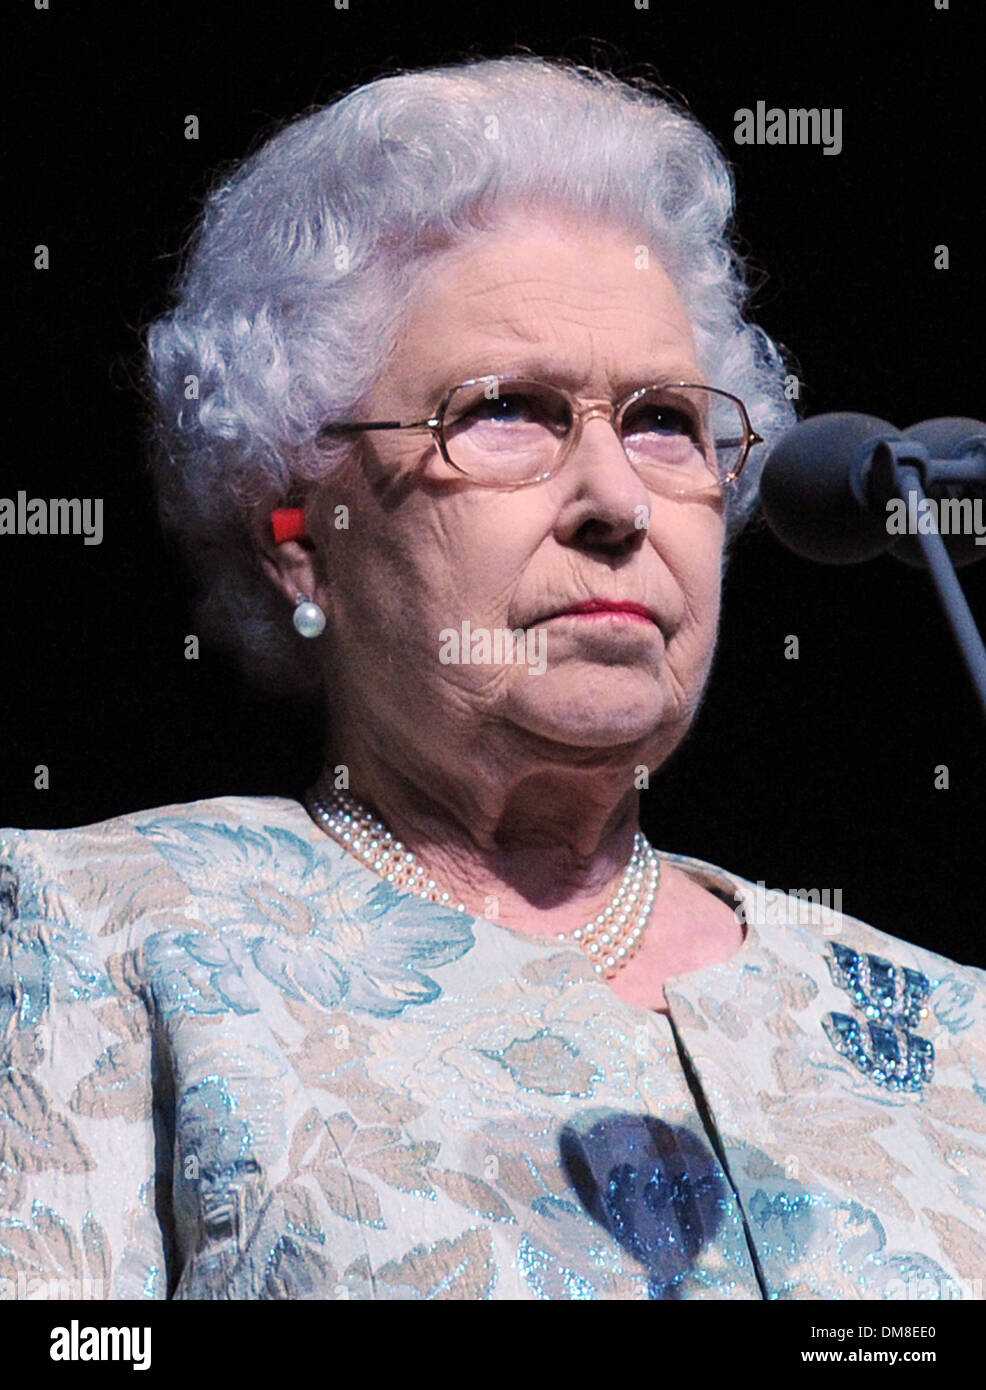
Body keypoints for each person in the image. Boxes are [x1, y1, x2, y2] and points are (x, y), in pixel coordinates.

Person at [1, 55, 984, 1303]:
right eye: (507, 410)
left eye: (664, 422)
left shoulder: (951, 1028)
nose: (616, 502)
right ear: (300, 540)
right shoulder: (94, 932)